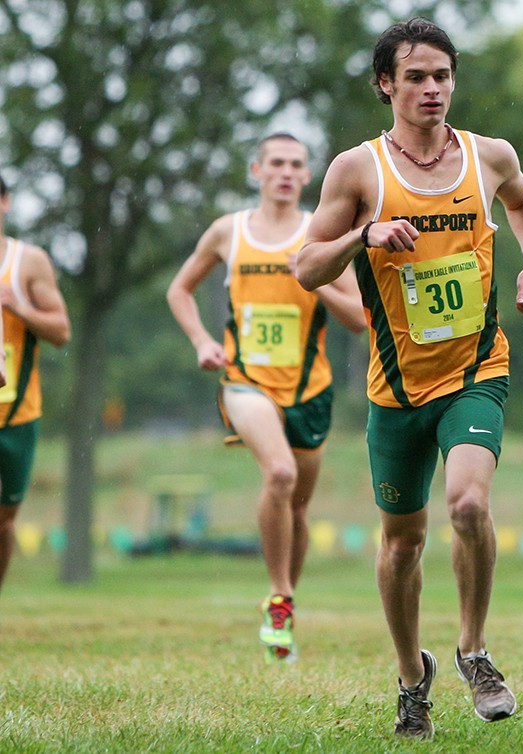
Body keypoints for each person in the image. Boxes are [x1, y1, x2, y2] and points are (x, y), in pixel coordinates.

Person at [295, 17, 523, 740]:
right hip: (397, 388)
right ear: (386, 84)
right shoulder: (357, 171)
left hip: (476, 369)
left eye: (442, 75)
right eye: (416, 77)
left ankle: (474, 650)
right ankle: (413, 677)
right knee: (401, 544)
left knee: (468, 505)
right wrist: (360, 235)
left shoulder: (489, 156)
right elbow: (307, 268)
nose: (432, 89)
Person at [166, 133, 365, 664]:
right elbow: (178, 290)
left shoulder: (319, 235)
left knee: (299, 505)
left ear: (306, 177)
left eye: (296, 165)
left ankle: (286, 605)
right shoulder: (227, 232)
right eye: (275, 162)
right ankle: (278, 598)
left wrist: (309, 273)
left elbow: (358, 318)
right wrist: (202, 341)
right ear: (256, 169)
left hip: (310, 388)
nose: (284, 172)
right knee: (278, 475)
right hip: (245, 381)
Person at [0, 173, 71, 597]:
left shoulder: (29, 262)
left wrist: (19, 307)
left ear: (5, 202)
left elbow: (61, 331)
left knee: (5, 519)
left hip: (16, 413)